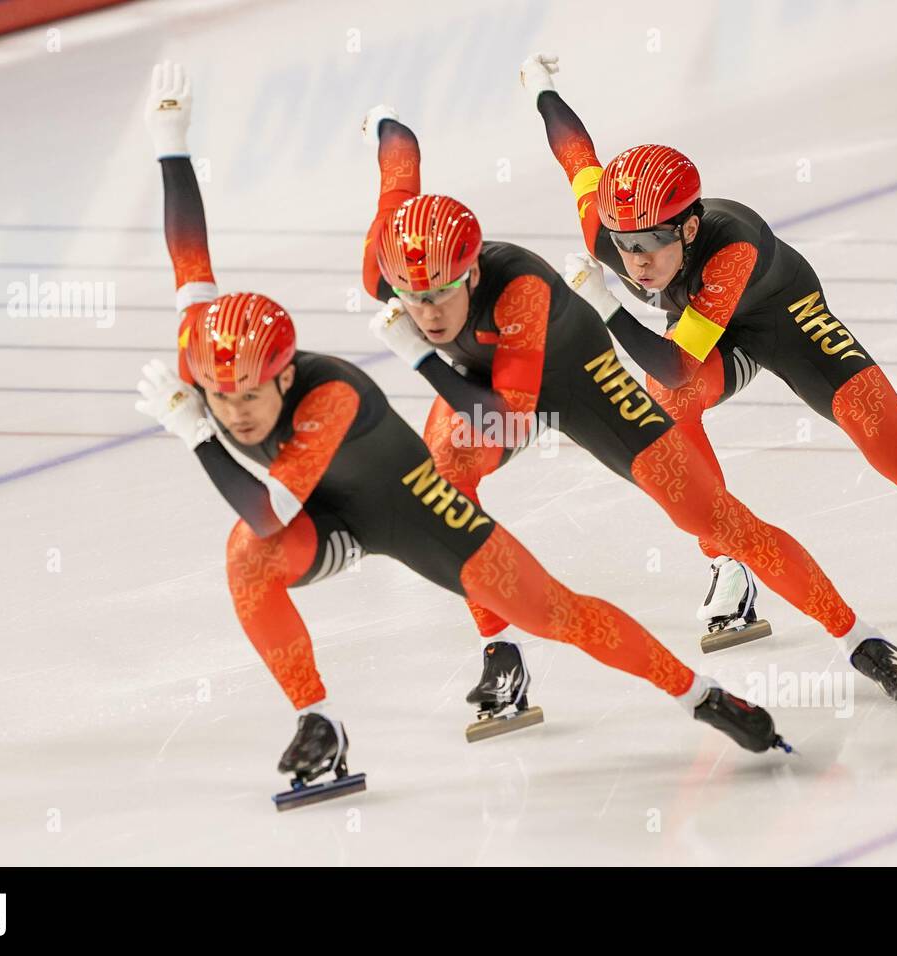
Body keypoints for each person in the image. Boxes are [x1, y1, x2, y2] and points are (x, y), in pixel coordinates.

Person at [135, 62, 789, 806]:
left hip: (412, 504)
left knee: (560, 611)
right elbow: (191, 259)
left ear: (285, 379)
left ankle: (700, 693)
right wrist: (169, 137)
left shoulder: (329, 400)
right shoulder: (272, 323)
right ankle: (325, 717)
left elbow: (268, 510)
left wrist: (197, 435)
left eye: (251, 394)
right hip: (329, 504)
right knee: (247, 566)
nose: (238, 412)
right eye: (221, 400)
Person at [358, 104, 897, 725]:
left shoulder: (522, 288)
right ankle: (501, 650)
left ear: (473, 272)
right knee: (444, 483)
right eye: (414, 298)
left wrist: (421, 358)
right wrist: (389, 127)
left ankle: (857, 637)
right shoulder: (392, 273)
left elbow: (509, 415)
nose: (429, 311)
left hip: (578, 382)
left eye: (444, 291)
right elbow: (401, 182)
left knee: (715, 519)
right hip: (483, 381)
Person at [519, 52, 897, 635]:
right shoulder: (607, 231)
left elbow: (673, 362)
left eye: (651, 242)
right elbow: (576, 157)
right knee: (669, 404)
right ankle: (728, 561)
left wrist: (608, 306)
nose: (635, 260)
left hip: (784, 319)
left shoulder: (731, 247)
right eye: (623, 243)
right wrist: (542, 88)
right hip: (715, 333)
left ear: (689, 228)